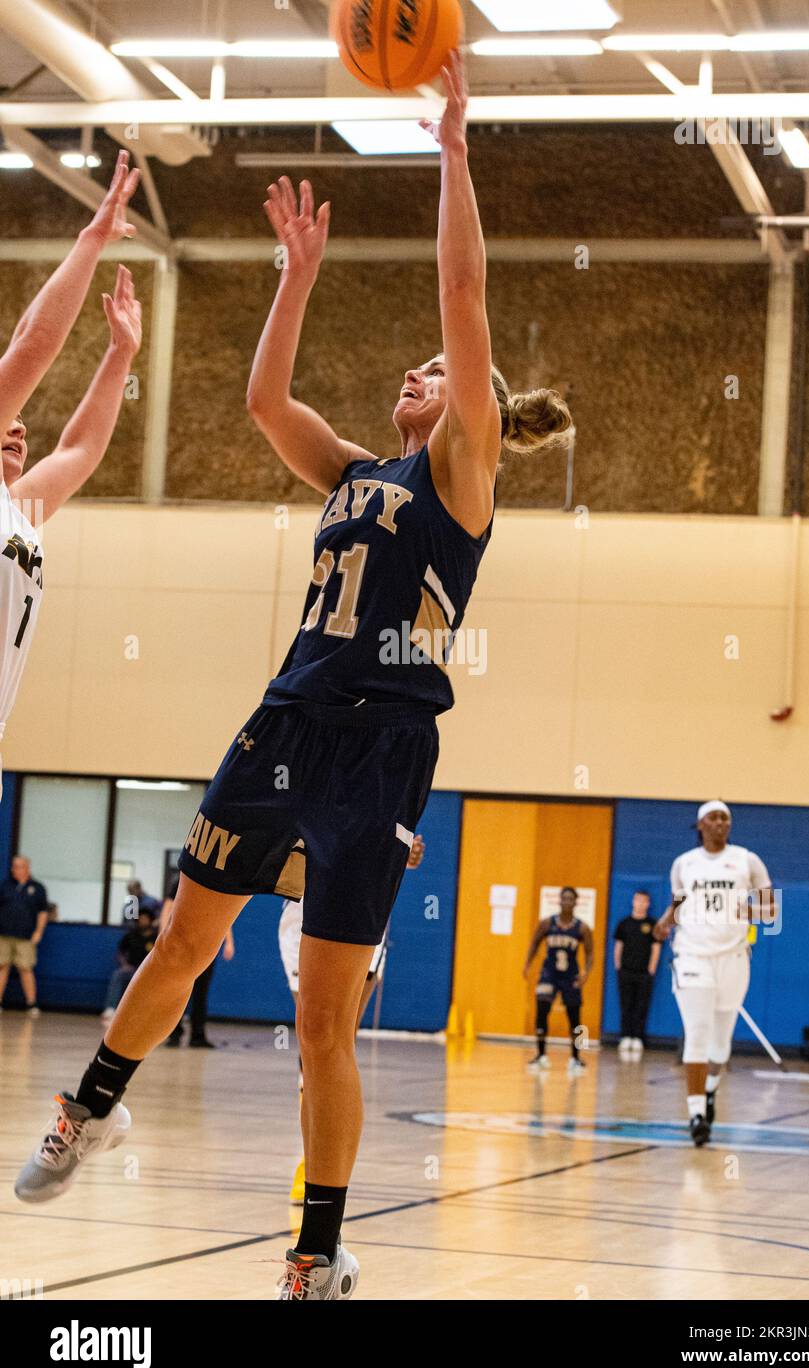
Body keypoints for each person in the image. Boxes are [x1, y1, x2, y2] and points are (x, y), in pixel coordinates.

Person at [15, 52, 573, 1302]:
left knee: (325, 1018)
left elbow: (466, 288)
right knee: (181, 940)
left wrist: (453, 153)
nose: (415, 377)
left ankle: (313, 1255)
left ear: (471, 402)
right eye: (414, 373)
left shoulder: (461, 481)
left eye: (434, 372)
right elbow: (267, 397)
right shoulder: (353, 472)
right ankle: (88, 1110)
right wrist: (298, 277)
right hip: (283, 720)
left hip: (382, 750)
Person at [0, 152, 140, 768]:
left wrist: (120, 355)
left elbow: (78, 452)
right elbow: (31, 343)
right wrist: (92, 239)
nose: (18, 426)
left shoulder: (20, 509)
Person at [279, 833, 424, 1206]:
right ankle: (308, 1165)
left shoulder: (385, 789)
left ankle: (324, 1172)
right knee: (314, 1041)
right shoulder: (306, 783)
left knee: (338, 1045)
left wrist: (402, 855)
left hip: (363, 921)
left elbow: (391, 851)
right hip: (306, 917)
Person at [653, 800, 775, 1147]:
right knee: (697, 1032)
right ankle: (695, 1114)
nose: (721, 823)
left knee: (721, 1042)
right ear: (700, 825)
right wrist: (665, 922)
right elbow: (678, 904)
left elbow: (770, 912)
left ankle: (709, 1092)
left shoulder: (747, 860)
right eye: (714, 817)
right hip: (692, 955)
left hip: (733, 957)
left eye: (726, 818)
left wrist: (747, 907)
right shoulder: (684, 864)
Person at [523, 887, 592, 1076]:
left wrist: (586, 973)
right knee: (541, 1010)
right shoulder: (547, 924)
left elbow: (590, 953)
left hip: (570, 976)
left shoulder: (582, 928)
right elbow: (534, 943)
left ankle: (576, 1058)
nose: (567, 902)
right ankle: (541, 1055)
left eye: (571, 899)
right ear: (560, 901)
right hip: (549, 974)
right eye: (564, 898)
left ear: (576, 903)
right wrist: (527, 964)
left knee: (576, 1018)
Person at [160, 874, 235, 1048]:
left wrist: (229, 941)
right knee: (176, 992)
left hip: (207, 945)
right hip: (183, 945)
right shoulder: (182, 877)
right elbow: (167, 908)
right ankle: (174, 1034)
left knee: (201, 993)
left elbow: (224, 913)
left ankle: (198, 1035)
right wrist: (163, 936)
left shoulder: (218, 879)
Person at [0, 855, 49, 1015]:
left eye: (19, 866)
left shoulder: (37, 888)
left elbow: (43, 912)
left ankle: (31, 1004)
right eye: (14, 866)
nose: (15, 869)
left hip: (26, 936)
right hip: (4, 935)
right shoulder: (5, 885)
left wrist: (38, 932)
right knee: (2, 967)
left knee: (26, 968)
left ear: (27, 868)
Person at [614, 889, 660, 1057]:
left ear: (648, 904)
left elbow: (656, 947)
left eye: (644, 901)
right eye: (638, 900)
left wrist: (652, 967)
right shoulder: (624, 923)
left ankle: (638, 1037)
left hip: (643, 973)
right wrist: (618, 964)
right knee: (626, 1005)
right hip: (625, 971)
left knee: (642, 1005)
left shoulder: (653, 924)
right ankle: (625, 1036)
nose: (640, 904)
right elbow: (618, 945)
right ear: (633, 901)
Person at [101, 908, 159, 1024]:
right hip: (131, 968)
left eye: (145, 919)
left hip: (149, 971)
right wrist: (124, 964)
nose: (142, 921)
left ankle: (152, 1013)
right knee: (118, 974)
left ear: (150, 921)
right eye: (140, 919)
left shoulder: (157, 937)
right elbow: (120, 952)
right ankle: (111, 1008)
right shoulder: (131, 935)